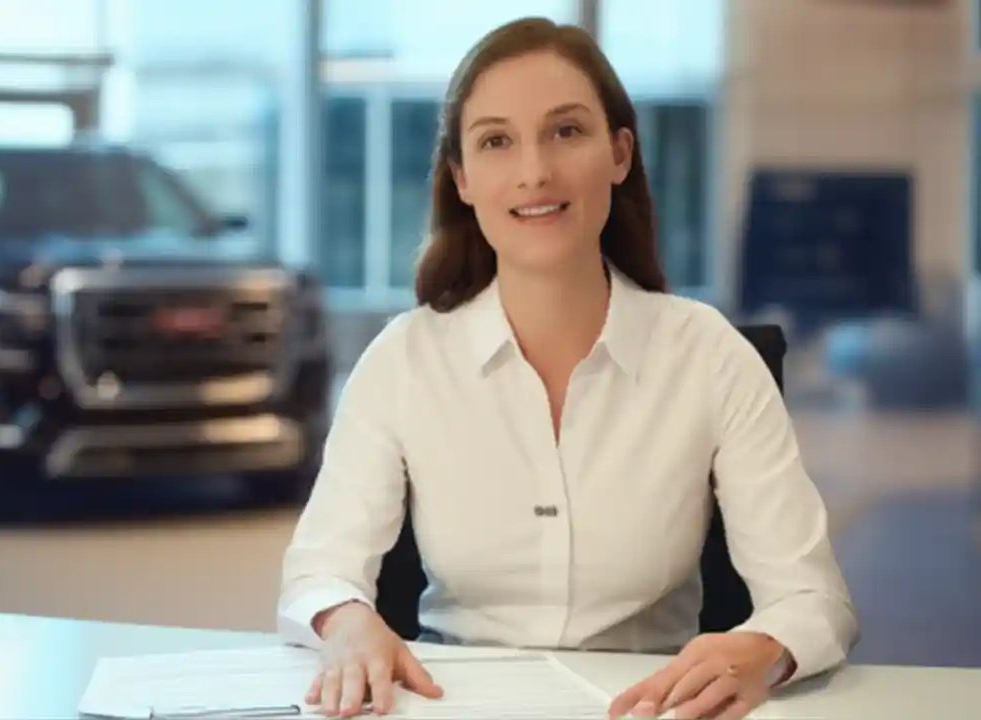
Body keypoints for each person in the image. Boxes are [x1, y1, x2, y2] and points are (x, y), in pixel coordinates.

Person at [277, 16, 859, 720]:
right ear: (462, 178)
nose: (535, 172)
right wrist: (345, 622)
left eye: (566, 131)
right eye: (496, 141)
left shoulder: (711, 357)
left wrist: (765, 648)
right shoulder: (403, 360)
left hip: (651, 707)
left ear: (619, 153)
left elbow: (813, 598)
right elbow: (319, 572)